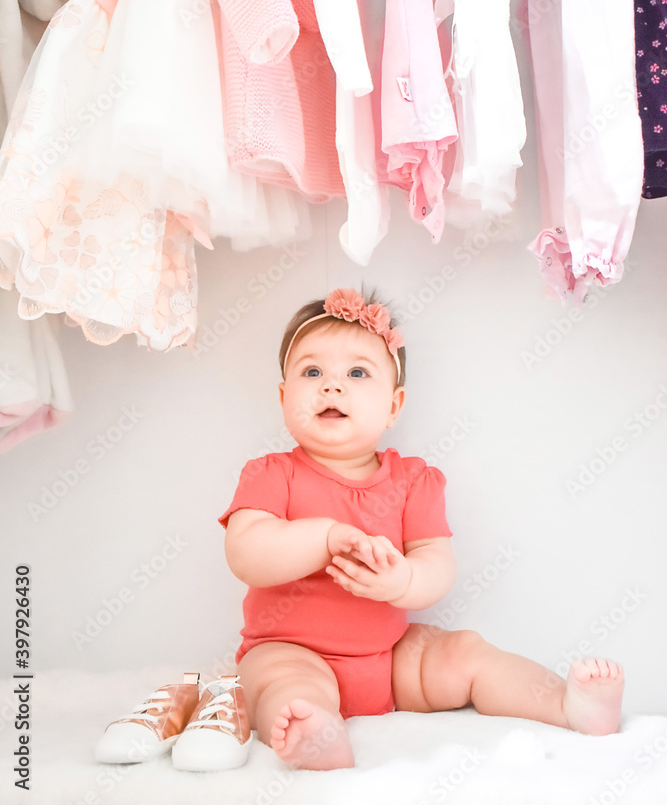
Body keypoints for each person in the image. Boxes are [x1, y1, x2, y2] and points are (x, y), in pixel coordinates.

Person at [219, 287, 624, 771]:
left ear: (394, 405)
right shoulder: (271, 474)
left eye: (356, 373)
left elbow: (436, 561)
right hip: (291, 650)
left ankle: (565, 704)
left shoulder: (413, 481)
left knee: (464, 651)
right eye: (312, 372)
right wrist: (323, 537)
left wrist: (403, 581)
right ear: (285, 398)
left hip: (390, 659)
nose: (331, 386)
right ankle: (315, 732)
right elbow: (246, 552)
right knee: (279, 682)